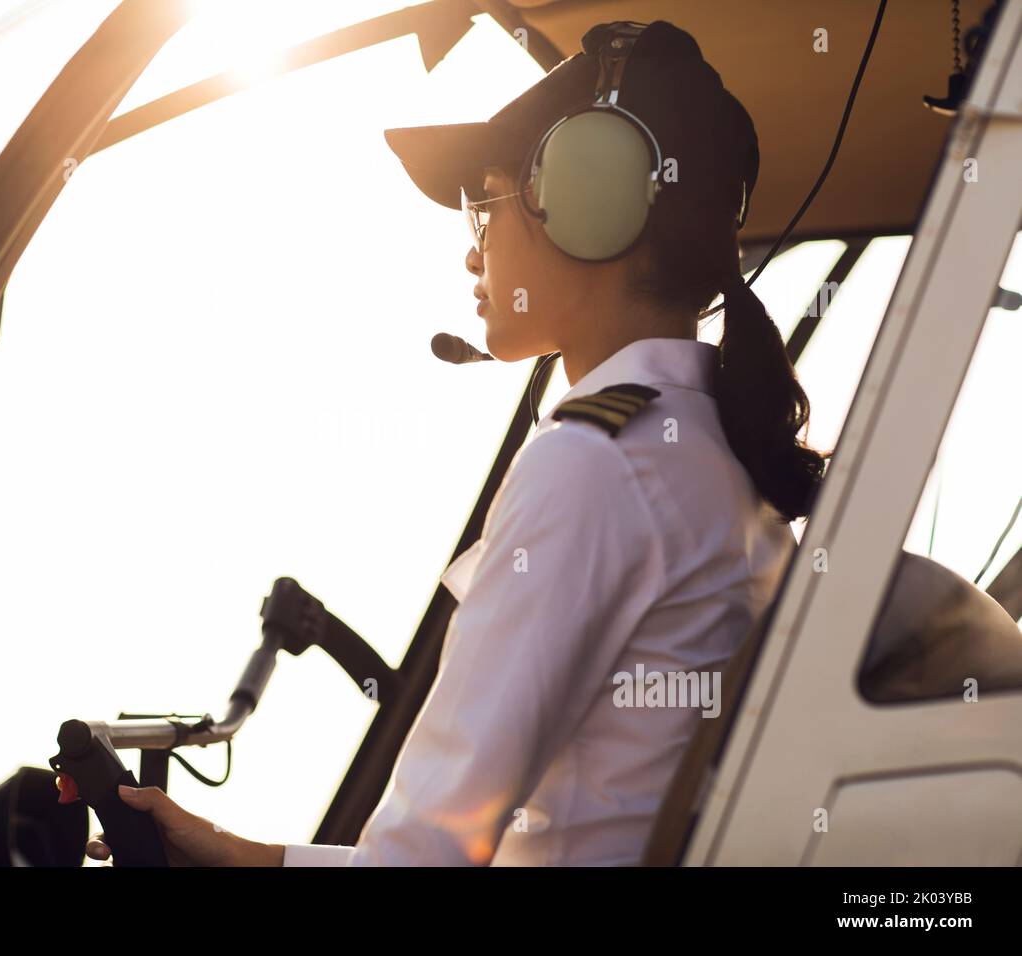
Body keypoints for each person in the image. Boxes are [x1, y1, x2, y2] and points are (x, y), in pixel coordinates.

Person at [88, 19, 825, 867]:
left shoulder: (592, 465)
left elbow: (423, 860)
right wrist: (245, 858)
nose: (473, 247)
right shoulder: (712, 453)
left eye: (485, 201)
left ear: (593, 199)